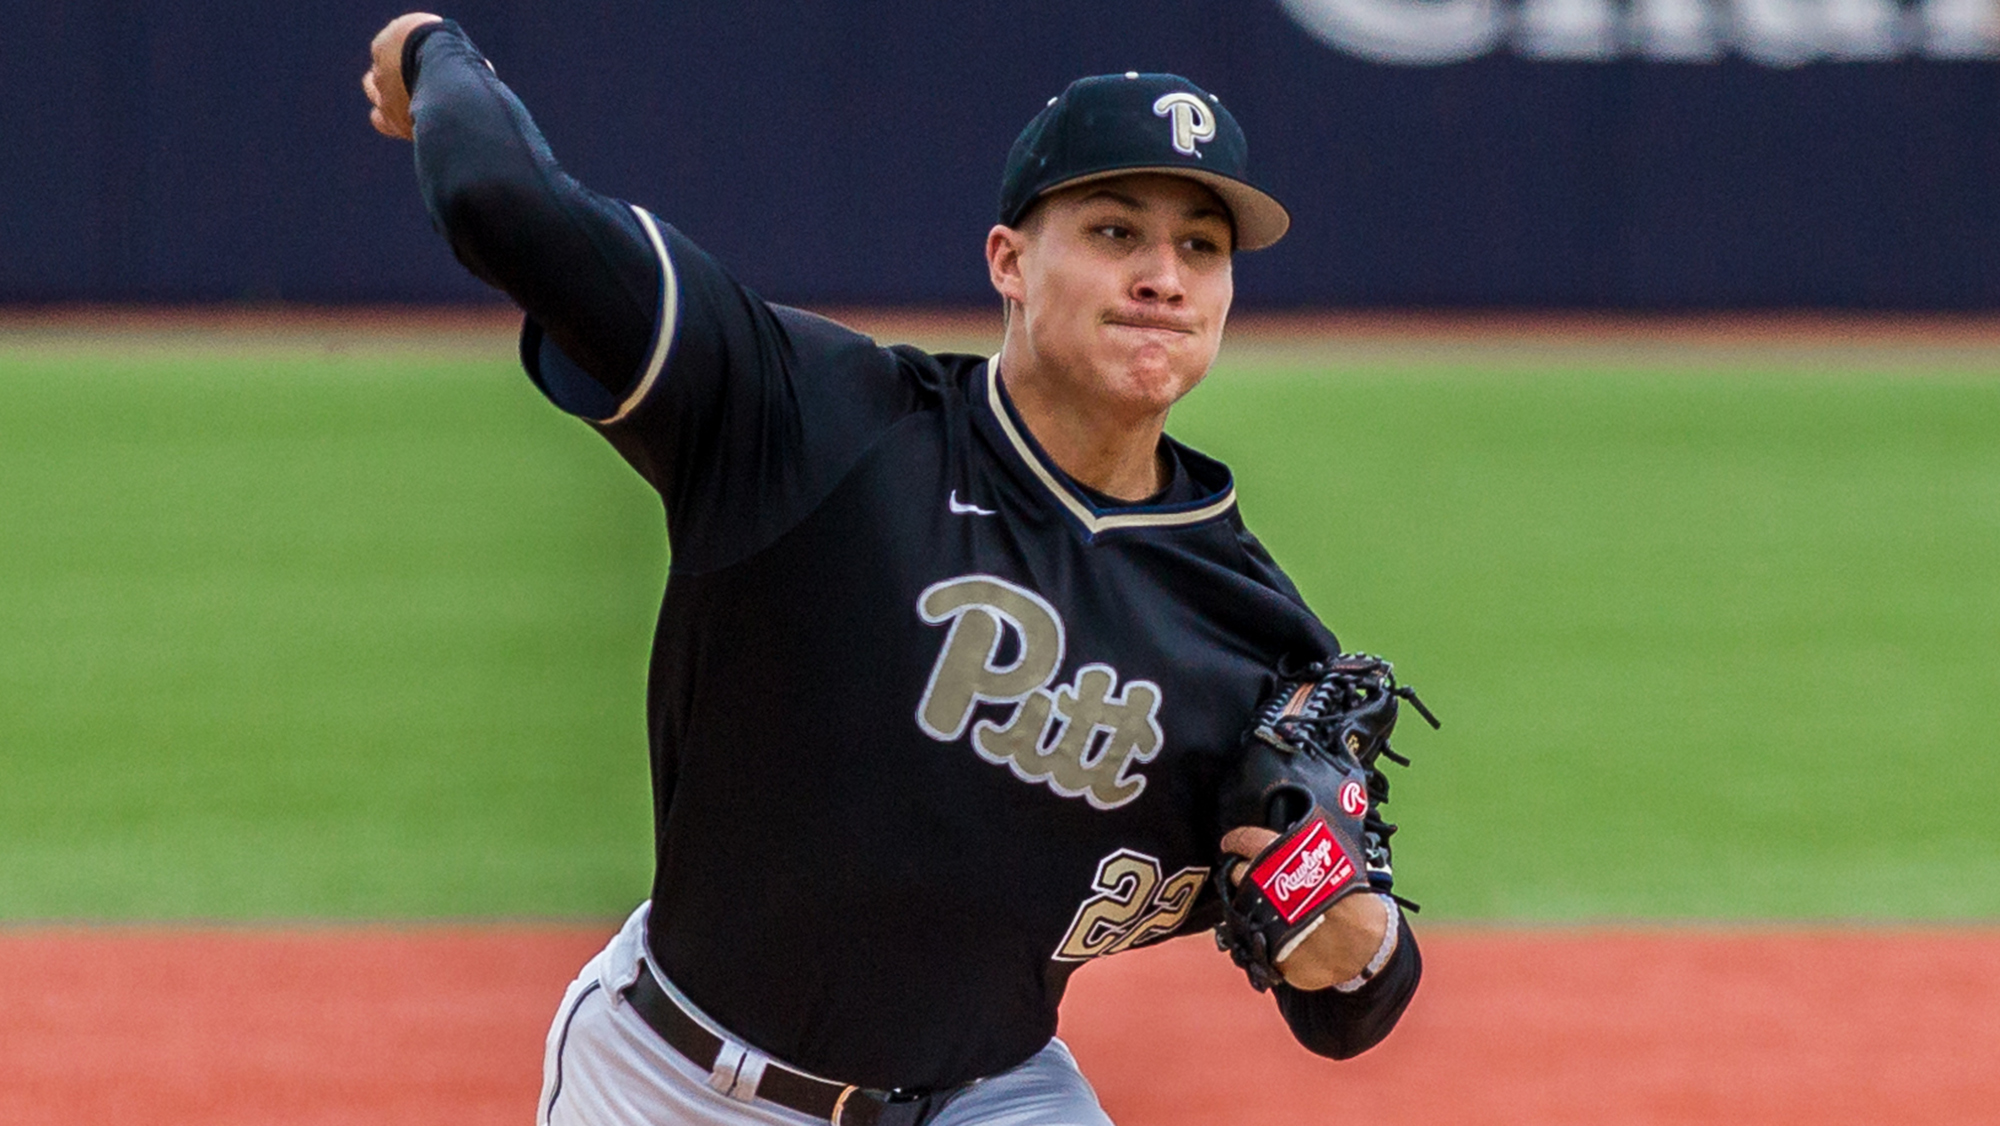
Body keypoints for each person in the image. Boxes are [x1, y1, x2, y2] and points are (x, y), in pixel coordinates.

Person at [362, 13, 1421, 1126]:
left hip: (991, 1098)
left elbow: (1352, 1000)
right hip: (677, 1080)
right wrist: (433, 50)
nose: (1163, 276)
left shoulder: (1246, 630)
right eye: (1114, 232)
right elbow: (498, 198)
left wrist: (1341, 920)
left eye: (1200, 248)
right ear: (1008, 261)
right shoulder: (812, 423)